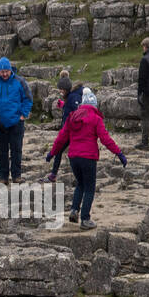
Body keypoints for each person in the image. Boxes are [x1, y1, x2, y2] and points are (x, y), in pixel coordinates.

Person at [46, 86, 125, 230]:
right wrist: (118, 153)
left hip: (73, 157)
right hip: (88, 157)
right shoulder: (96, 119)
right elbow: (105, 139)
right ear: (94, 105)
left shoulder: (71, 117)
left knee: (80, 184)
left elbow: (61, 138)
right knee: (89, 188)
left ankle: (74, 210)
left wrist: (52, 153)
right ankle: (85, 219)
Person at [0, 56, 32, 184]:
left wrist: (23, 115)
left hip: (16, 122)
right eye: (2, 71)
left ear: (10, 70)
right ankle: (3, 177)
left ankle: (16, 176)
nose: (4, 74)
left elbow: (28, 99)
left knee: (16, 150)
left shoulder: (20, 82)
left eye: (6, 71)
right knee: (2, 152)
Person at [43, 70, 84, 183]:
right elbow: (70, 108)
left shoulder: (74, 97)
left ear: (66, 89)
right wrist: (63, 105)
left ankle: (59, 174)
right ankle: (54, 174)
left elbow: (77, 112)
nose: (60, 92)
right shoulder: (70, 96)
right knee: (60, 151)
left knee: (67, 152)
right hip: (68, 130)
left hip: (72, 131)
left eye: (61, 89)